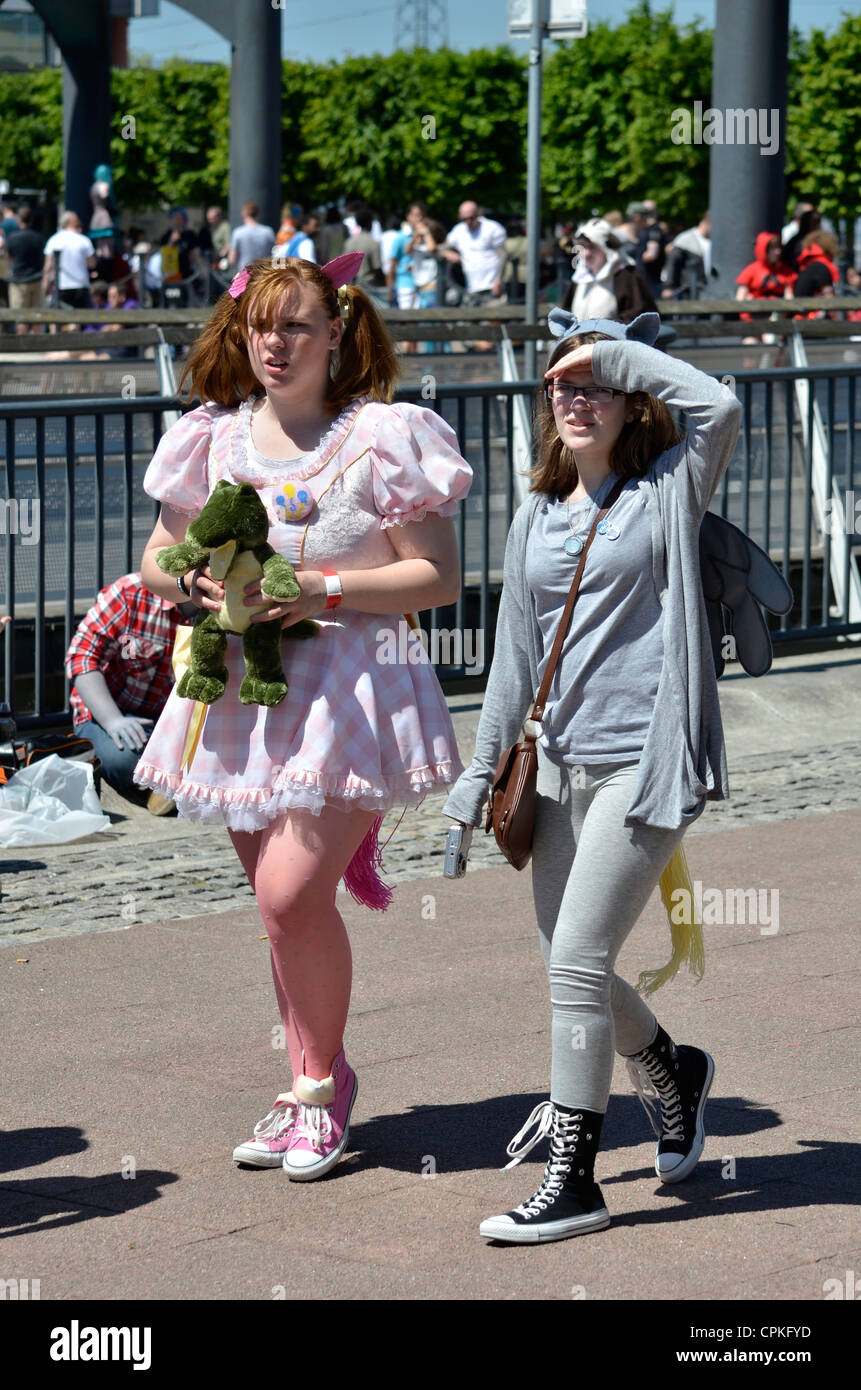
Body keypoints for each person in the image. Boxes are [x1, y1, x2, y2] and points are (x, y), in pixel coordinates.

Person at [132, 254, 472, 1180]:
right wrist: (196, 581)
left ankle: (320, 1093)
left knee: (291, 896)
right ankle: (308, 1081)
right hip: (243, 692)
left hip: (353, 689)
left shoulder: (383, 435)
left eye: (295, 326)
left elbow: (438, 576)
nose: (274, 344)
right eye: (261, 326)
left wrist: (321, 584)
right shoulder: (210, 437)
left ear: (337, 332)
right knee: (278, 911)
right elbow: (156, 559)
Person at [443, 308, 742, 1244]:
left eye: (594, 384)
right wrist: (476, 775)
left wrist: (610, 346)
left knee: (575, 962)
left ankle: (574, 1183)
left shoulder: (668, 487)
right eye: (560, 384)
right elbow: (513, 656)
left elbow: (720, 402)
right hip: (558, 767)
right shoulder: (536, 511)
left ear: (629, 399)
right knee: (569, 963)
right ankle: (669, 1070)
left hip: (647, 765)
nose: (573, 397)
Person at [65, 572, 197, 814]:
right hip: (111, 711)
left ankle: (172, 784)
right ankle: (169, 786)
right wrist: (112, 720)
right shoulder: (129, 592)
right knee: (123, 759)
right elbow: (82, 657)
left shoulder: (224, 602)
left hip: (175, 722)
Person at [561, 218, 657, 323]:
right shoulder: (579, 277)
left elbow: (639, 316)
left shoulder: (626, 276)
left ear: (606, 249)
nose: (586, 254)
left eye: (592, 247)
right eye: (582, 247)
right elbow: (567, 312)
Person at [442, 200, 507, 307]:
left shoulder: (492, 228)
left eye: (471, 218)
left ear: (478, 214)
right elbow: (441, 248)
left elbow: (503, 255)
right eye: (464, 219)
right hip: (470, 289)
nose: (468, 222)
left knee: (490, 321)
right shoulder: (458, 230)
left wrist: (499, 280)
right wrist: (447, 253)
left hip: (491, 287)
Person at [735, 232, 795, 343]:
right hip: (753, 318)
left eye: (778, 248)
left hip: (776, 319)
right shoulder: (752, 270)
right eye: (773, 248)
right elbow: (740, 299)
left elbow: (789, 299)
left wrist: (781, 319)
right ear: (764, 250)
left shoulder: (785, 271)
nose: (778, 252)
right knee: (750, 345)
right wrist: (748, 321)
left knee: (774, 341)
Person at [43, 211, 96, 311]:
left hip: (62, 286)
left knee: (58, 319)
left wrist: (45, 287)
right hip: (81, 285)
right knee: (79, 320)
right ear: (69, 222)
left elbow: (48, 266)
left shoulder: (53, 240)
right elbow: (92, 263)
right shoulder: (84, 240)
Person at [5, 205, 45, 332]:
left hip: (18, 281)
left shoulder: (12, 238)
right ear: (32, 220)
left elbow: (8, 258)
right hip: (37, 279)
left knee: (20, 317)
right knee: (37, 316)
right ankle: (37, 346)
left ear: (19, 220)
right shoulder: (39, 237)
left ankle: (24, 346)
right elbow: (43, 258)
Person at [661, 212, 714, 300]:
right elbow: (672, 264)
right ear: (706, 222)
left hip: (707, 291)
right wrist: (668, 287)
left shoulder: (712, 240)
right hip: (688, 291)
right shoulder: (685, 240)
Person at [228, 201, 276, 271]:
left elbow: (232, 260)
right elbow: (275, 254)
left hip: (244, 274)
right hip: (264, 274)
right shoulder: (268, 231)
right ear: (258, 214)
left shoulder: (238, 232)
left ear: (243, 213)